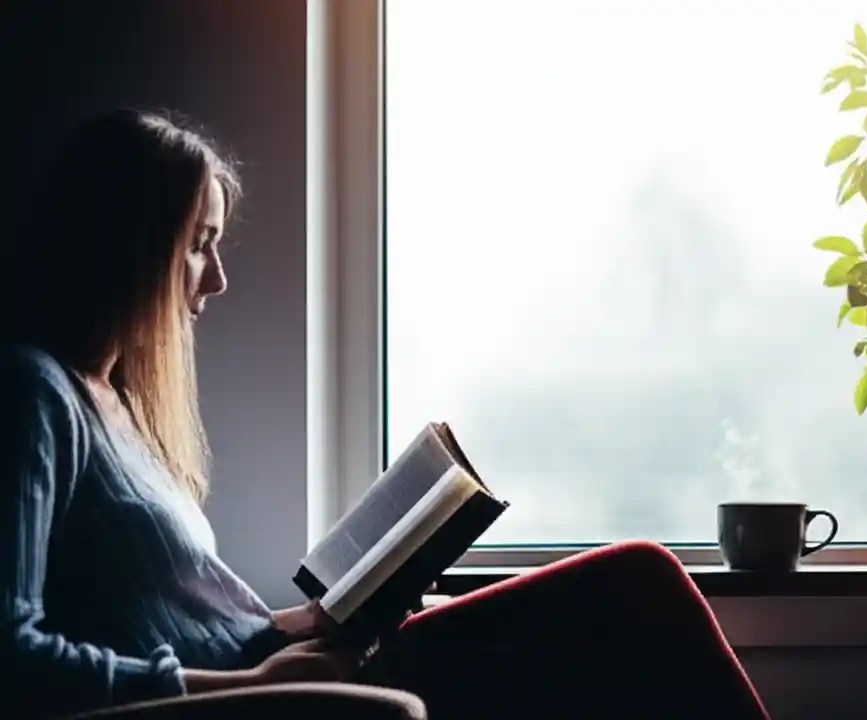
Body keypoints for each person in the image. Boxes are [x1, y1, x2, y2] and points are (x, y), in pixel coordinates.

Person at [0, 110, 769, 719]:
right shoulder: (37, 395)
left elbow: (173, 612)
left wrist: (302, 625)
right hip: (265, 700)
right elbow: (14, 656)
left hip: (281, 670)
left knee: (633, 597)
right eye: (199, 245)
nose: (220, 279)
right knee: (634, 587)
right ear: (132, 247)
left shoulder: (118, 407)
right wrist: (252, 683)